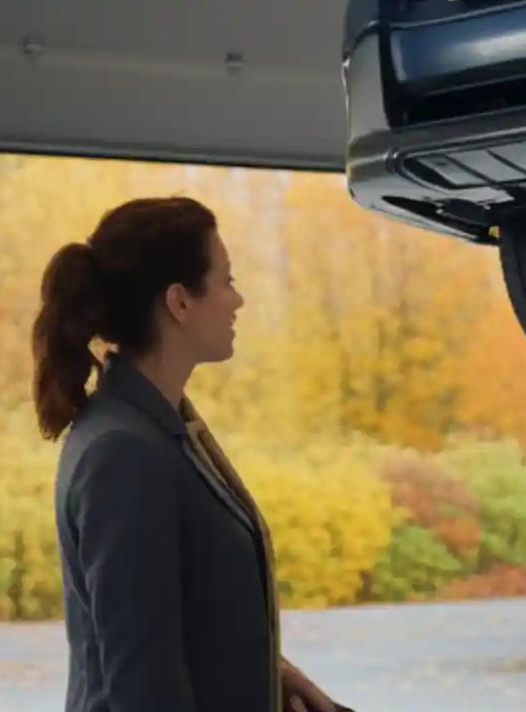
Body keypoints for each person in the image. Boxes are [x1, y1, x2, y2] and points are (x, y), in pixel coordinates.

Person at [33, 197, 345, 712]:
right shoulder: (123, 452)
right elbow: (144, 683)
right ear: (179, 302)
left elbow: (190, 623)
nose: (237, 300)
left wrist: (276, 681)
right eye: (226, 280)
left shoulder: (159, 429)